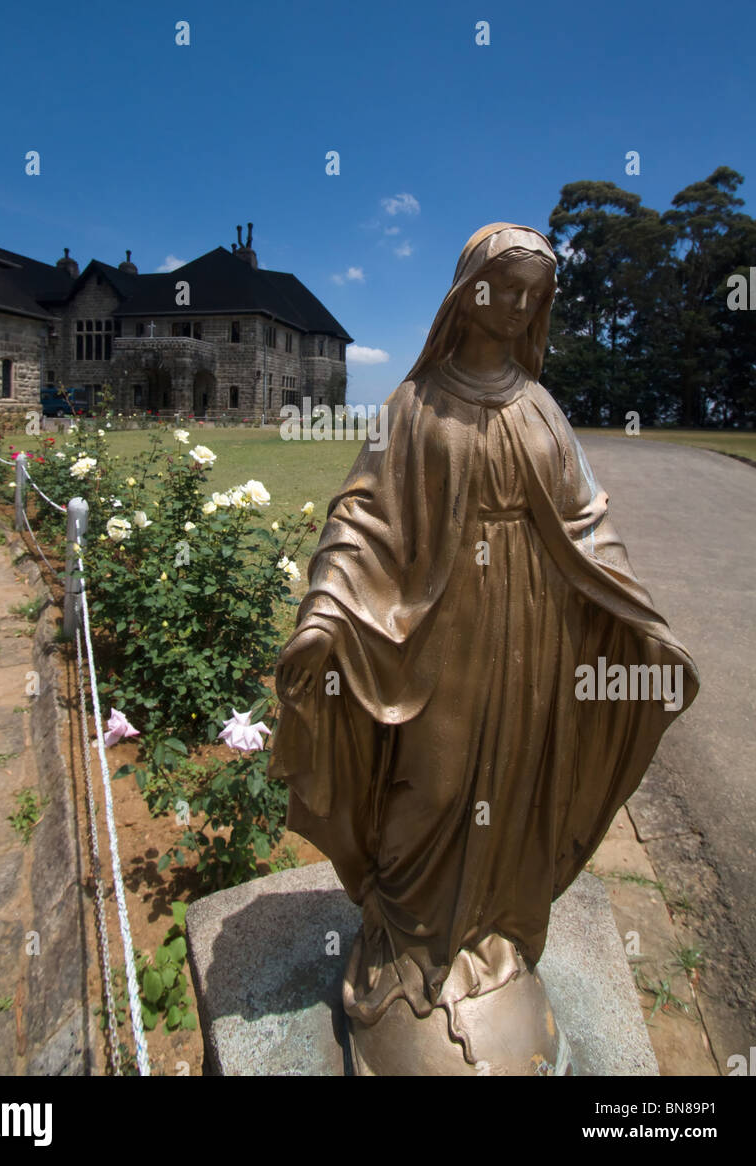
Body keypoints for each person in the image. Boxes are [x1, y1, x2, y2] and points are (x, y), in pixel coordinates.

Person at [270, 222, 698, 1069]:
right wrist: (325, 610)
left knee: (517, 780)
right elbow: (362, 517)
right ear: (469, 292)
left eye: (537, 295)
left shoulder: (539, 406)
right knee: (430, 785)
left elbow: (584, 519)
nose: (522, 306)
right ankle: (408, 947)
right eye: (509, 288)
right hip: (438, 632)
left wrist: (639, 617)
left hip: (533, 630)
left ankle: (494, 939)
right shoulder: (413, 406)